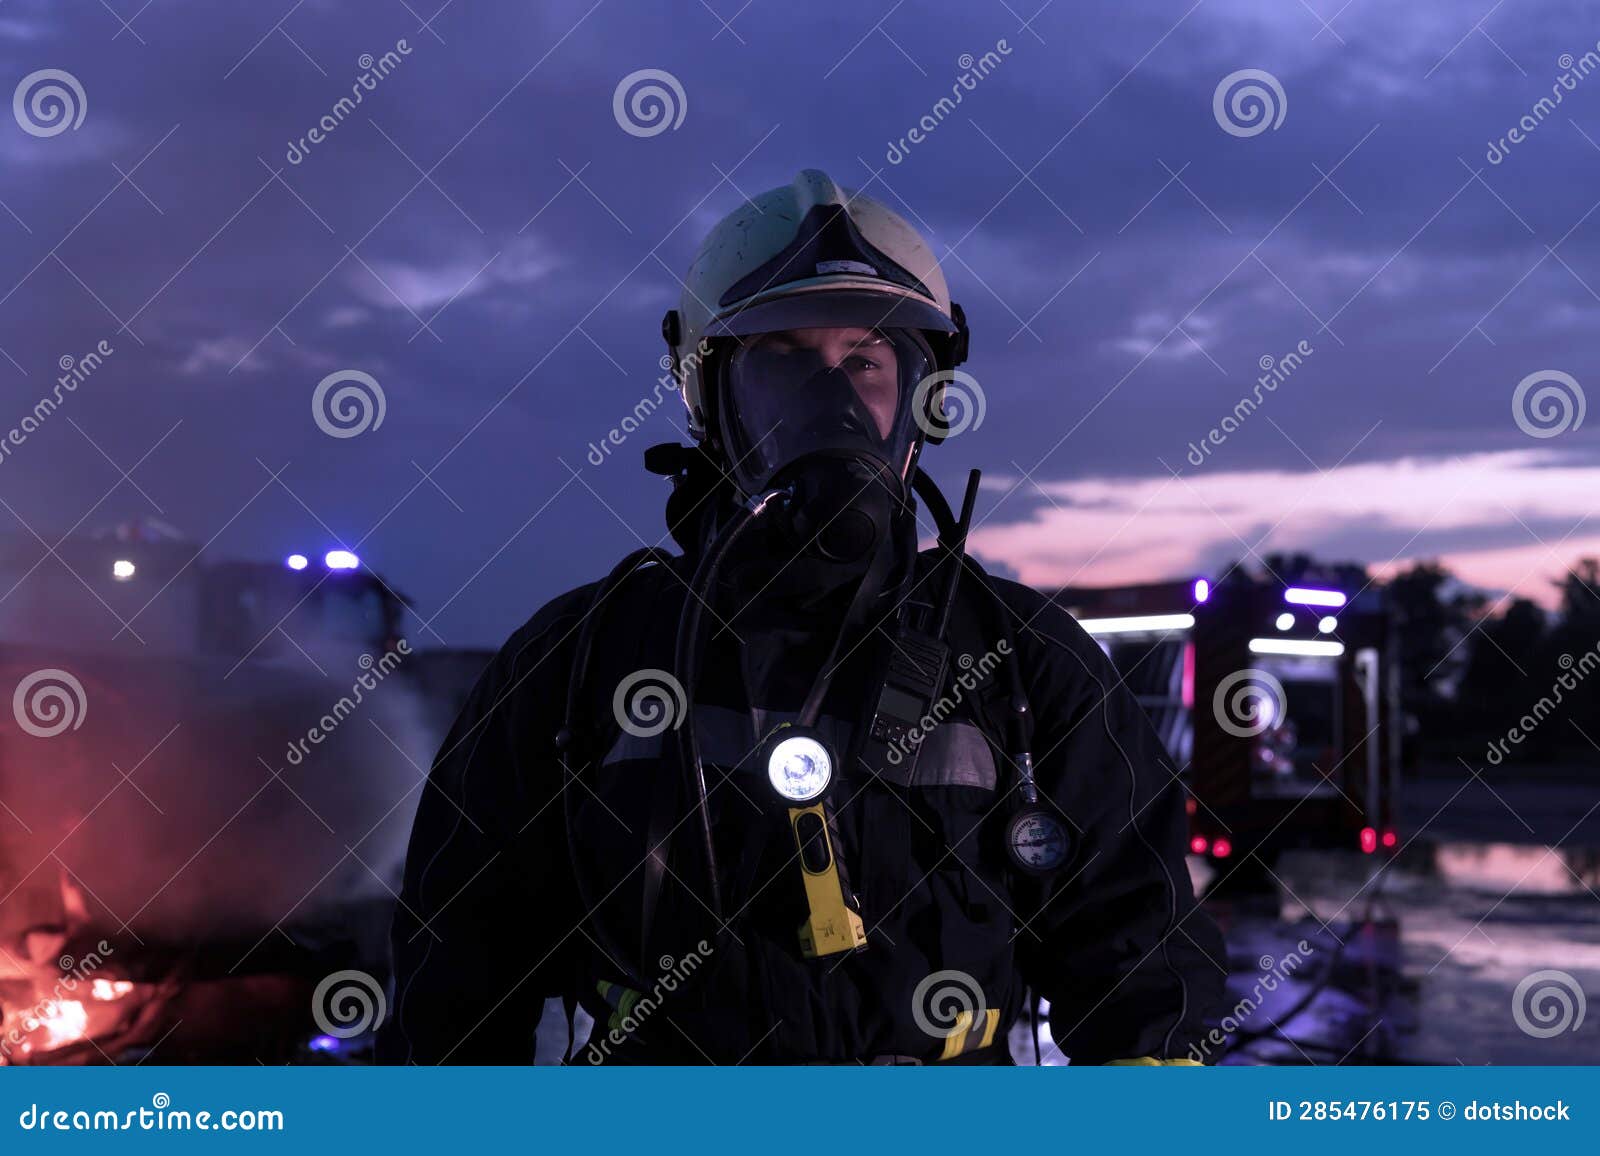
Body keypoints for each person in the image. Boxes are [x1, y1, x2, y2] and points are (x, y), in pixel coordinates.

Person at [380, 170, 1226, 1065]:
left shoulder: (1026, 667)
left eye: (864, 362)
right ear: (709, 398)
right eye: (782, 363)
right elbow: (452, 1006)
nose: (829, 406)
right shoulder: (577, 667)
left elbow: (1148, 983)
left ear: (923, 401)